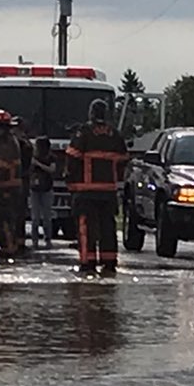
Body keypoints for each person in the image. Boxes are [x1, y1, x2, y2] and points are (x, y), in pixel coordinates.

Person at [64, 98, 128, 277]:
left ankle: (87, 263)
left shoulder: (83, 133)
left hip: (86, 192)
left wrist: (69, 180)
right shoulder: (115, 134)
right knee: (108, 229)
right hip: (108, 192)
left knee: (86, 229)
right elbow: (124, 159)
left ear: (91, 113)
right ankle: (109, 263)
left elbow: (72, 158)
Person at [0, 108, 30, 262]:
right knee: (6, 218)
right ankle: (9, 245)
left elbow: (2, 164)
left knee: (2, 218)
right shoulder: (6, 141)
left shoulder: (6, 142)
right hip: (7, 186)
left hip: (6, 187)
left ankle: (8, 248)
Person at [28, 134, 57, 249]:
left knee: (47, 217)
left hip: (47, 189)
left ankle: (47, 239)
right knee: (35, 217)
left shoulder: (51, 157)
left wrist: (39, 164)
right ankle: (34, 240)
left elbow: (52, 169)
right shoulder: (32, 157)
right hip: (34, 190)